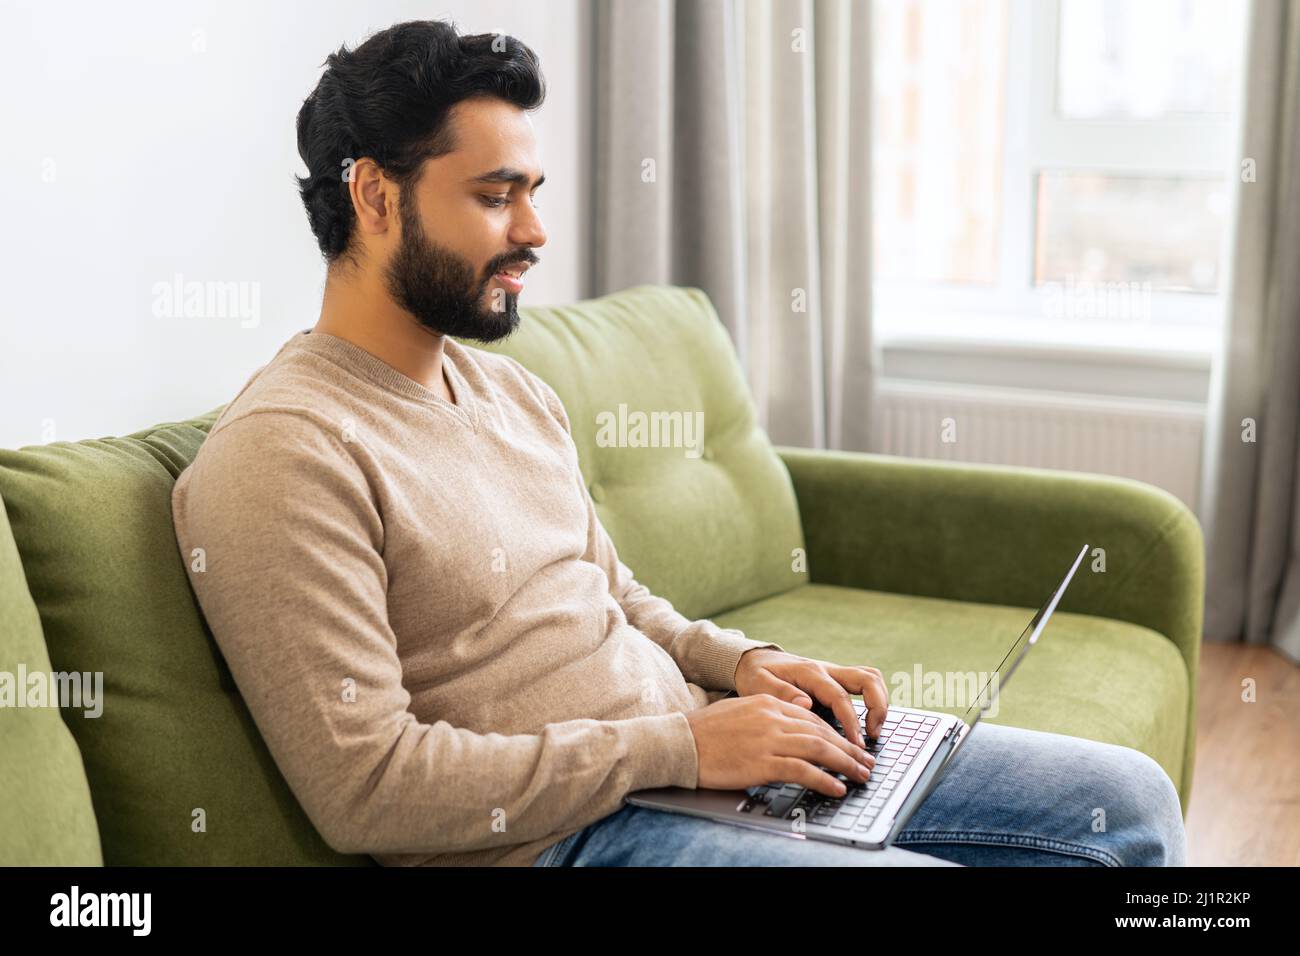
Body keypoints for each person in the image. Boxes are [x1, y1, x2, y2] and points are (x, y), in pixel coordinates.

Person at [172, 19, 1186, 868]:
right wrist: (680, 748)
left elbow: (615, 595)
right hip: (567, 837)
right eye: (494, 195)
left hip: (699, 760)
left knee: (1125, 799)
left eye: (533, 189)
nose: (534, 230)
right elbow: (370, 786)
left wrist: (746, 665)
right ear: (376, 195)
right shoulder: (284, 456)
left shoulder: (510, 390)